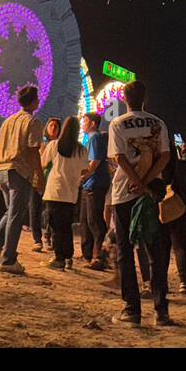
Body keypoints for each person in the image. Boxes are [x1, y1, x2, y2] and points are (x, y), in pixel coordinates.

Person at [108, 80, 174, 327]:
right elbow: (165, 156)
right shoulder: (158, 123)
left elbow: (119, 158)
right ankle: (161, 311)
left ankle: (132, 309)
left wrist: (136, 181)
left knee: (125, 250)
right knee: (155, 250)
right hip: (151, 194)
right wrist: (146, 183)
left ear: (125, 99)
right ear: (145, 98)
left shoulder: (118, 123)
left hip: (125, 193)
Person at [0, 86, 44, 275]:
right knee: (16, 215)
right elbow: (33, 150)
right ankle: (9, 259)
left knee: (10, 212)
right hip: (18, 171)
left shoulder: (8, 121)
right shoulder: (33, 122)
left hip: (1, 169)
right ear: (35, 101)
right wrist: (39, 176)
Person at [41, 115, 90, 269]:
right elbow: (84, 169)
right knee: (66, 225)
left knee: (55, 225)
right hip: (71, 192)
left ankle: (59, 257)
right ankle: (68, 257)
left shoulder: (54, 145)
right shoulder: (81, 150)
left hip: (55, 190)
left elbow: (43, 162)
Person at [78, 112, 111, 270]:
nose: (82, 124)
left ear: (92, 123)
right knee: (85, 220)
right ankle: (88, 254)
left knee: (94, 220)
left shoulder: (95, 138)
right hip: (90, 184)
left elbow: (95, 161)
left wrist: (83, 177)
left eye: (84, 121)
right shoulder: (90, 138)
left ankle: (99, 256)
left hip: (95, 183)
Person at [164, 137, 186, 294]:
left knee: (161, 247)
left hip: (161, 205)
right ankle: (184, 282)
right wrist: (184, 154)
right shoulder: (181, 164)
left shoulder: (157, 164)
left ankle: (161, 282)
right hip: (180, 205)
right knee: (180, 245)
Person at [30, 117, 61, 252]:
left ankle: (49, 236)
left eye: (56, 126)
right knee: (34, 210)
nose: (53, 128)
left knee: (50, 211)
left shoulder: (61, 145)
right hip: (37, 180)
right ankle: (37, 239)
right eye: (51, 126)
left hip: (53, 181)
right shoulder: (41, 143)